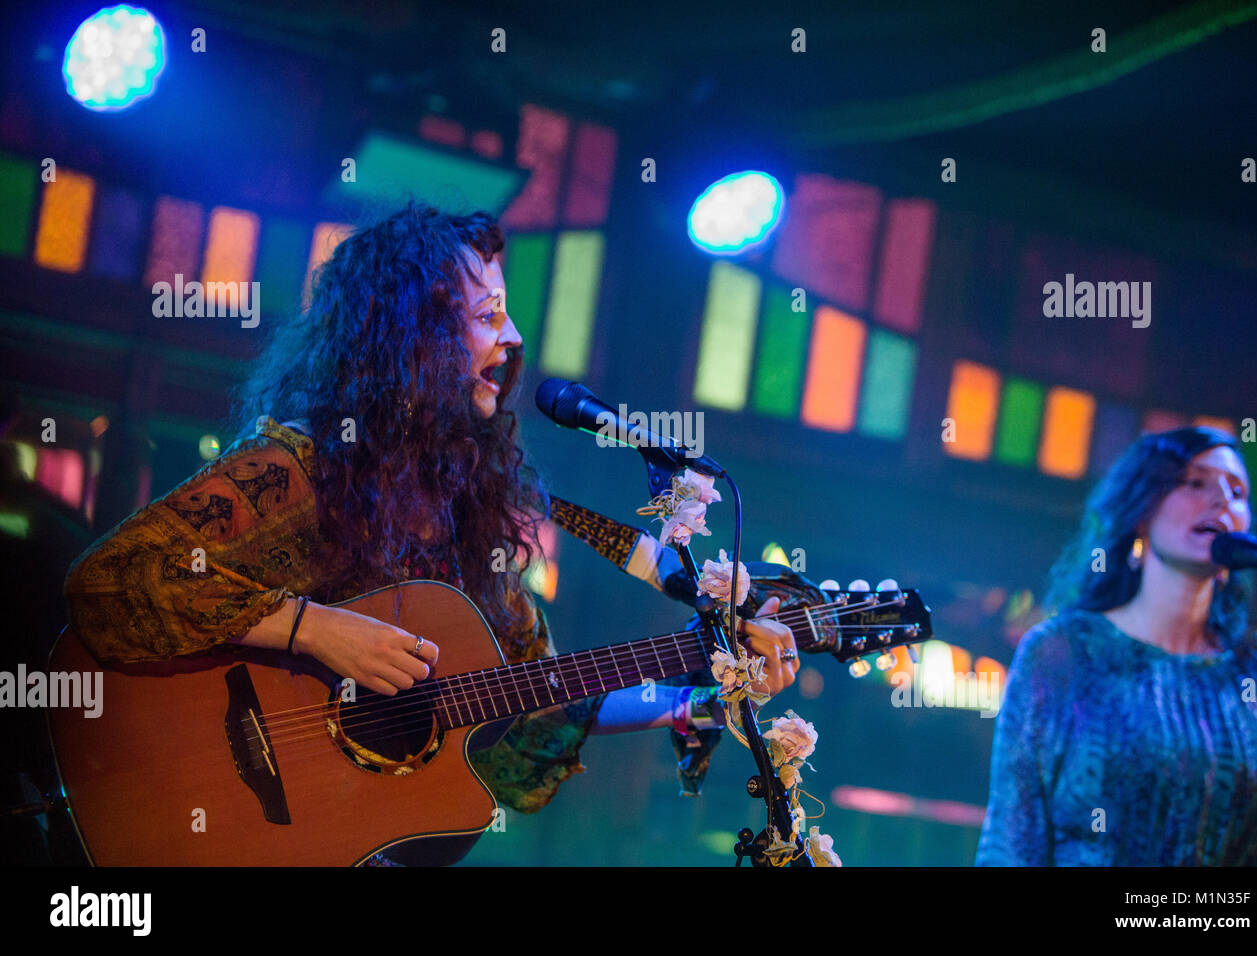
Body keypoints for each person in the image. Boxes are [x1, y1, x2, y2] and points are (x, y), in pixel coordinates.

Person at [62, 203, 799, 849]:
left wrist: (702, 694)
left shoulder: (469, 514)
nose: (511, 338)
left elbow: (535, 699)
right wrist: (312, 630)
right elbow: (117, 580)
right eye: (485, 316)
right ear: (410, 334)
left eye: (507, 314)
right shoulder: (303, 467)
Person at [975, 426, 1257, 865]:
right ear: (1142, 511)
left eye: (1236, 489)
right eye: (1196, 482)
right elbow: (1012, 841)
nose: (1222, 498)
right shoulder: (1064, 654)